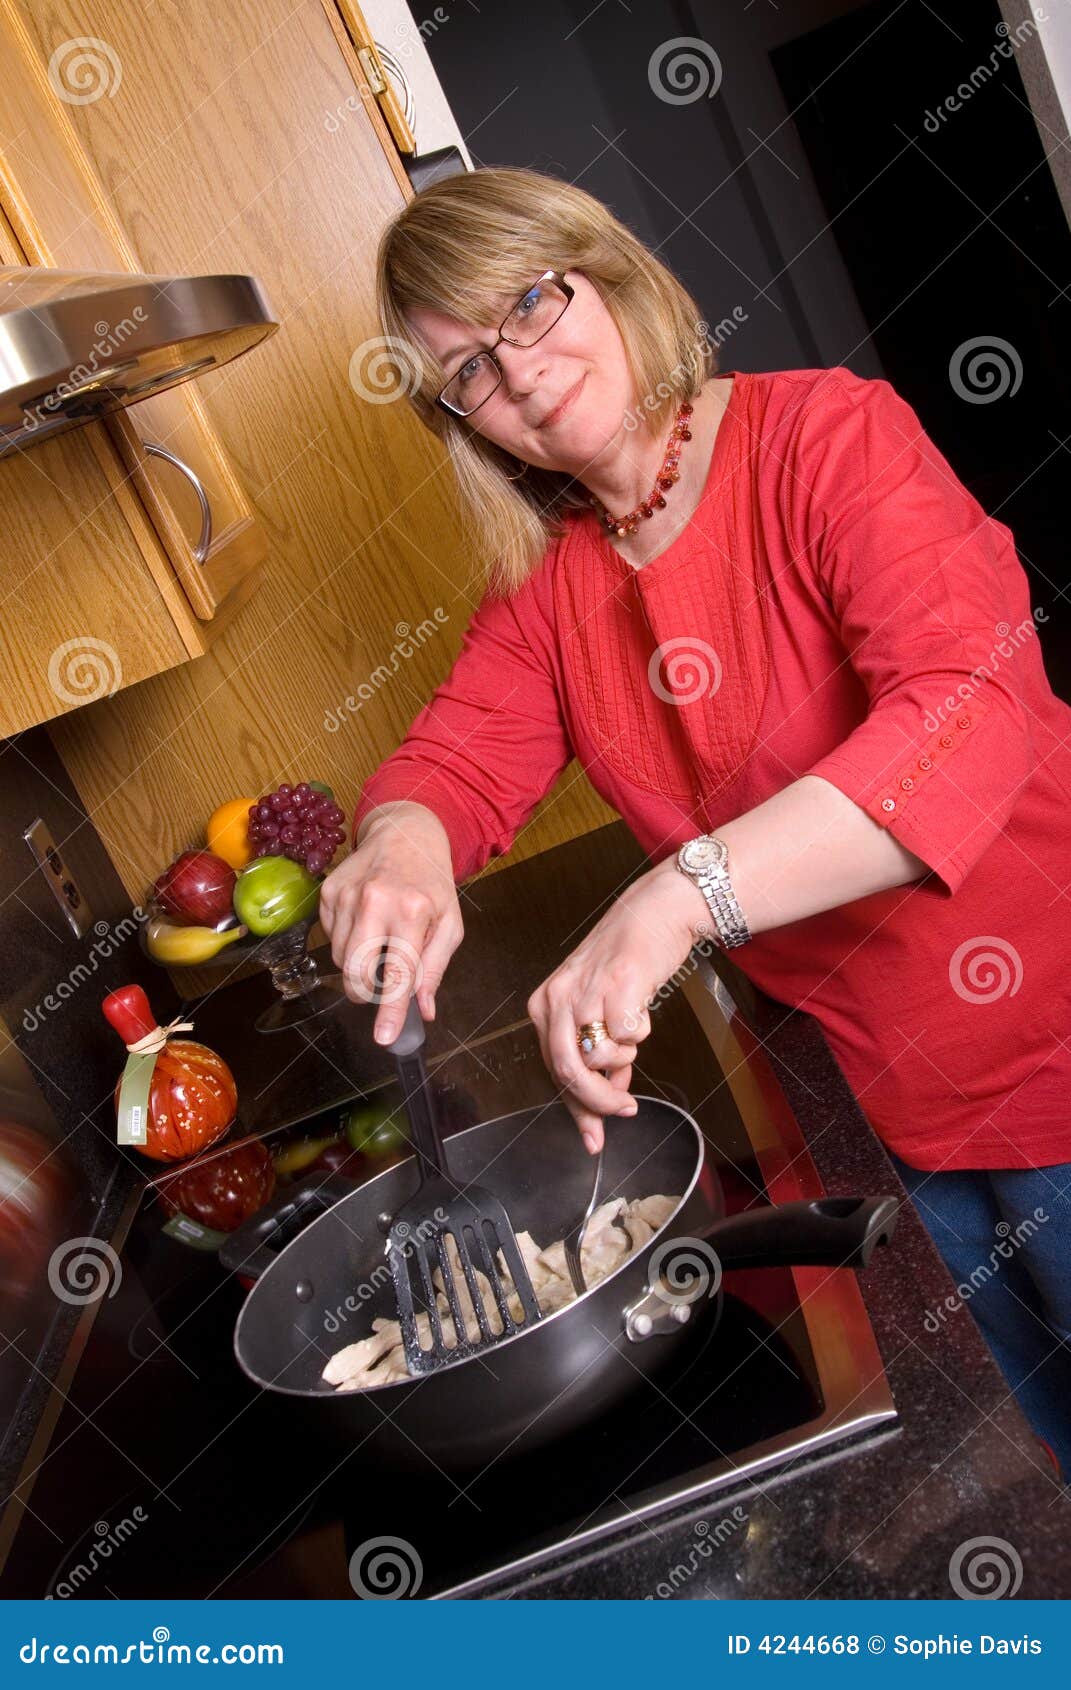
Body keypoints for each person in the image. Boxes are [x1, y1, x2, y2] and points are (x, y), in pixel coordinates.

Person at [319, 167, 1071, 1475]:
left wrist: (678, 894)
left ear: (600, 270)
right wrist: (399, 840)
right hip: (895, 1095)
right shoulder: (554, 589)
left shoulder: (829, 440)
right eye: (473, 372)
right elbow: (458, 755)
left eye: (534, 306)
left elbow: (967, 710)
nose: (528, 375)